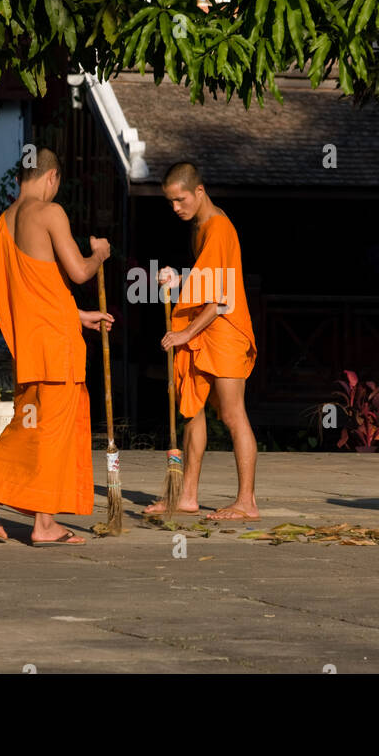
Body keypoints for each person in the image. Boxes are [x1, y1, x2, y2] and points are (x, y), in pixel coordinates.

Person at [0, 148, 114, 546]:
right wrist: (99, 254)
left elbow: (30, 292)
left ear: (19, 178)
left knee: (28, 427)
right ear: (52, 178)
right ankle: (24, 517)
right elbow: (79, 272)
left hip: (28, 348)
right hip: (57, 350)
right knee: (52, 435)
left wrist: (76, 315)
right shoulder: (50, 213)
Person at [144, 161, 259, 521]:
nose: (175, 208)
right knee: (190, 409)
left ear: (199, 191)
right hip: (204, 328)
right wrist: (178, 279)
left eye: (180, 200)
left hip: (224, 329)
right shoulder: (200, 226)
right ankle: (186, 495)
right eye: (170, 202)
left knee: (230, 413)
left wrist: (184, 333)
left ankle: (247, 502)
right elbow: (209, 278)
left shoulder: (218, 228)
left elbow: (222, 298)